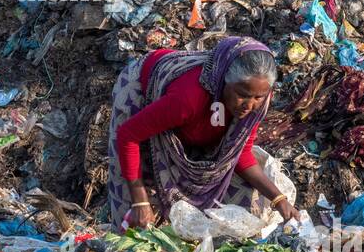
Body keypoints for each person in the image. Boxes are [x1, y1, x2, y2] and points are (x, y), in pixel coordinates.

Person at [107, 35, 298, 230]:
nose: (249, 105)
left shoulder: (258, 99)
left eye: (258, 97)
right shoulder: (187, 100)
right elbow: (128, 136)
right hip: (141, 94)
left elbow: (240, 154)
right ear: (223, 81)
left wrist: (279, 199)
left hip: (193, 117)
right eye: (242, 95)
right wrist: (139, 201)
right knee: (136, 210)